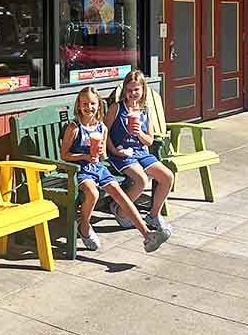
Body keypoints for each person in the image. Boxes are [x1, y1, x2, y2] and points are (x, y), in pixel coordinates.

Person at [60, 86, 168, 253]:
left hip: (97, 167)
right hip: (79, 169)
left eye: (93, 103)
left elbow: (102, 156)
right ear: (79, 106)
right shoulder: (74, 128)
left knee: (120, 195)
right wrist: (84, 156)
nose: (89, 107)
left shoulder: (102, 128)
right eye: (85, 104)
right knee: (93, 193)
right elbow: (64, 155)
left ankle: (147, 235)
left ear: (98, 106)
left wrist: (102, 151)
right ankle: (84, 226)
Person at [104, 70, 174, 239]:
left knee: (167, 177)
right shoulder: (117, 108)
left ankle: (154, 215)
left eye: (137, 89)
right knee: (141, 180)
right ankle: (120, 210)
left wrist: (139, 134)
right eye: (129, 90)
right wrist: (113, 151)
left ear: (143, 90)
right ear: (124, 91)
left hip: (141, 152)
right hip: (122, 154)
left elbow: (149, 141)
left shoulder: (145, 111)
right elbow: (104, 130)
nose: (133, 93)